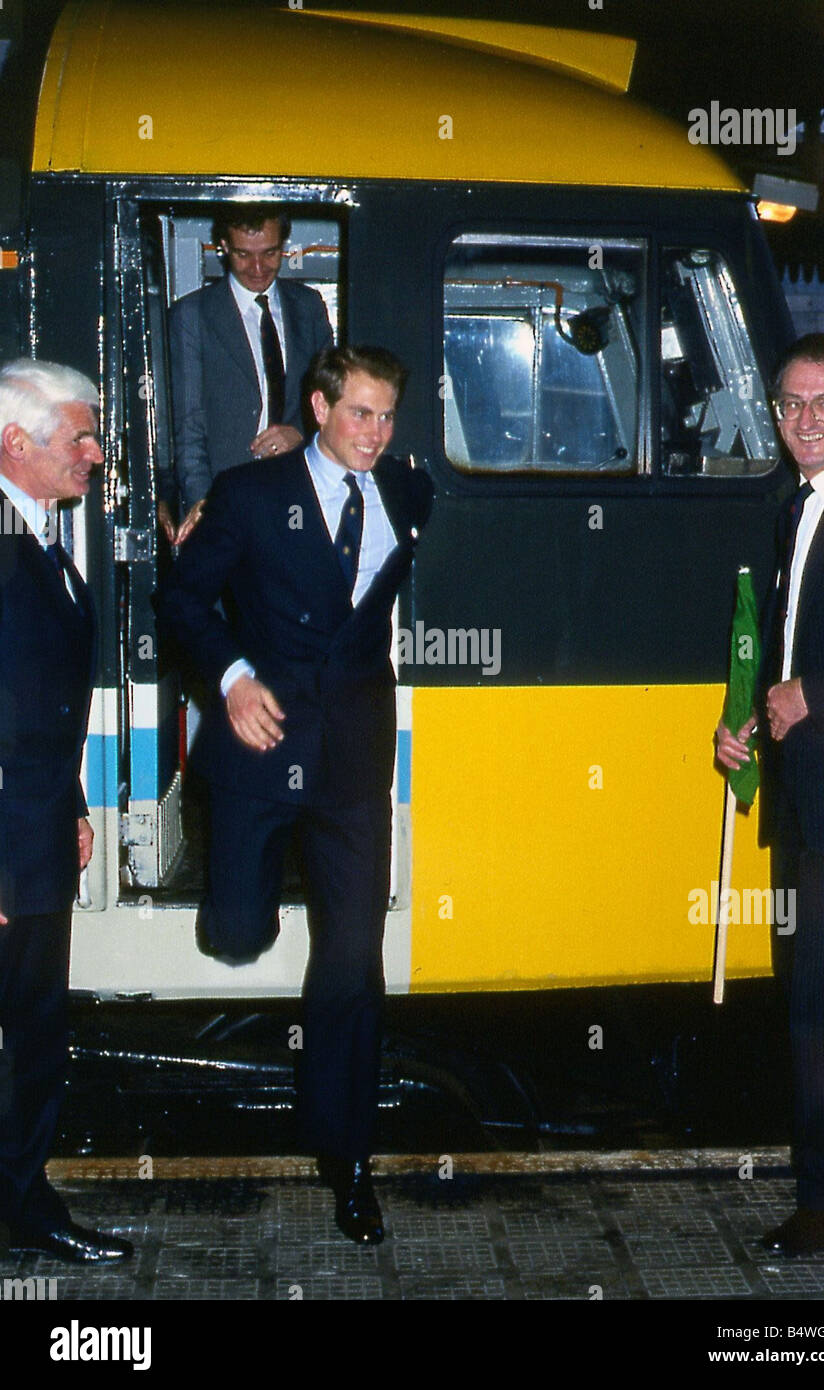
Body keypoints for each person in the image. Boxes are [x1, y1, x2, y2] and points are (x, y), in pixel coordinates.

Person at [158, 346, 433, 1244]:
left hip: (352, 757)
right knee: (235, 931)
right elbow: (181, 601)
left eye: (387, 416)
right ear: (317, 407)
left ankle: (347, 1159)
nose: (375, 433)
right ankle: (254, 909)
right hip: (258, 740)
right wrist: (231, 677)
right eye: (359, 413)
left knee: (352, 961)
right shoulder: (245, 494)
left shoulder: (406, 492)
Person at [716, 333, 824, 1256]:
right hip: (804, 804)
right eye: (790, 404)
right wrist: (744, 720)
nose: (805, 420)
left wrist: (817, 696)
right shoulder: (794, 510)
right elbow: (784, 654)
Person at [0, 359, 132, 1263]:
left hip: (35, 829)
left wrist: (74, 802)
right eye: (78, 436)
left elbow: (36, 700)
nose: (94, 451)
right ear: (15, 442)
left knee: (35, 1032)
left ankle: (23, 1203)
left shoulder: (40, 533)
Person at [160, 203, 333, 544]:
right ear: (223, 246)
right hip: (225, 496)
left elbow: (333, 400)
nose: (257, 268)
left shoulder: (309, 306)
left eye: (270, 253)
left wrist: (300, 433)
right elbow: (187, 424)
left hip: (299, 492)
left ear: (284, 245)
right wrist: (208, 505)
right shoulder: (191, 315)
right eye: (243, 254)